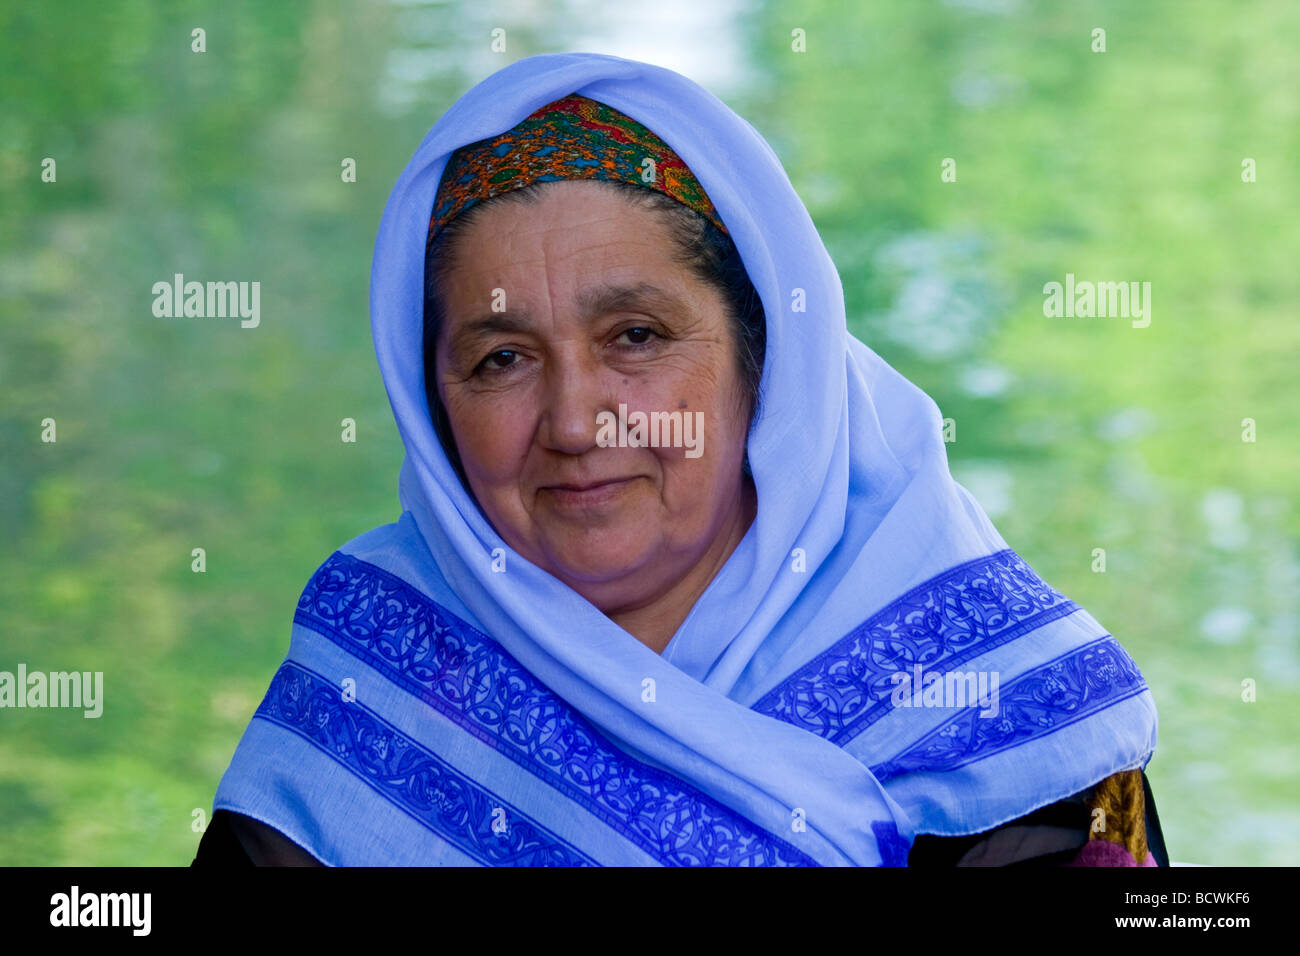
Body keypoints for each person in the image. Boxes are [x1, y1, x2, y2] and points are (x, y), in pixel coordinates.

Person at [195, 52, 1165, 867]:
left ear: (763, 360)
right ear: (432, 406)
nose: (574, 420)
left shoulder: (999, 694)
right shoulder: (377, 663)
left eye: (636, 336)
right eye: (501, 358)